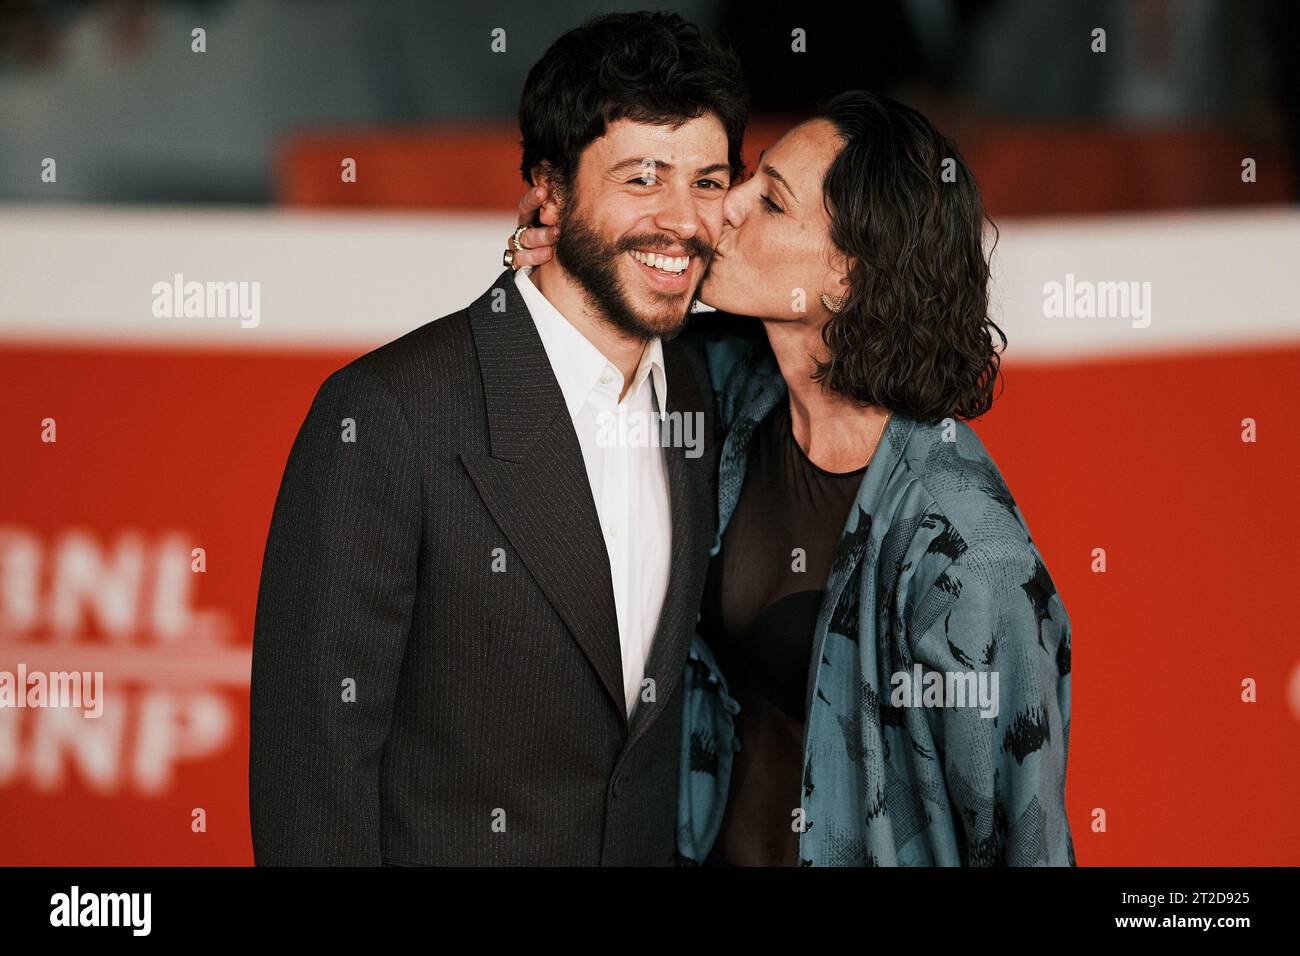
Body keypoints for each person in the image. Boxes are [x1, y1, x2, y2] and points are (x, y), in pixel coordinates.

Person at [508, 90, 1076, 866]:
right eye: (747, 177)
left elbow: (1023, 839)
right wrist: (567, 249)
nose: (726, 204)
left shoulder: (967, 554)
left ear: (847, 280)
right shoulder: (728, 387)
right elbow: (571, 360)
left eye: (770, 201)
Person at [248, 11, 746, 866]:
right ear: (548, 191)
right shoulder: (388, 416)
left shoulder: (703, 395)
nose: (682, 220)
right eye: (642, 179)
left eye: (707, 182)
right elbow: (312, 790)